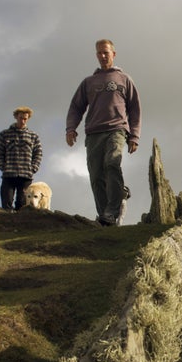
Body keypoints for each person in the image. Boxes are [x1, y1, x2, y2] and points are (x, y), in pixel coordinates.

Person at [65, 39, 141, 226]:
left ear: (113, 54)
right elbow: (76, 107)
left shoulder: (124, 79)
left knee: (112, 163)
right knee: (96, 174)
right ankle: (104, 215)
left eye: (106, 52)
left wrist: (134, 136)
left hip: (117, 129)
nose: (103, 55)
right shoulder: (89, 82)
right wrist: (70, 129)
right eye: (99, 53)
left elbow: (135, 109)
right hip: (93, 133)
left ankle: (112, 211)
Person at [0, 106, 43, 211]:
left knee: (22, 206)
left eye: (25, 118)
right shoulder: (4, 134)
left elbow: (38, 153)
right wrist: (3, 166)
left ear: (28, 118)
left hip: (26, 176)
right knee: (6, 204)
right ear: (16, 117)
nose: (23, 121)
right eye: (21, 118)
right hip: (9, 174)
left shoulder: (33, 136)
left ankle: (21, 227)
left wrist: (33, 168)